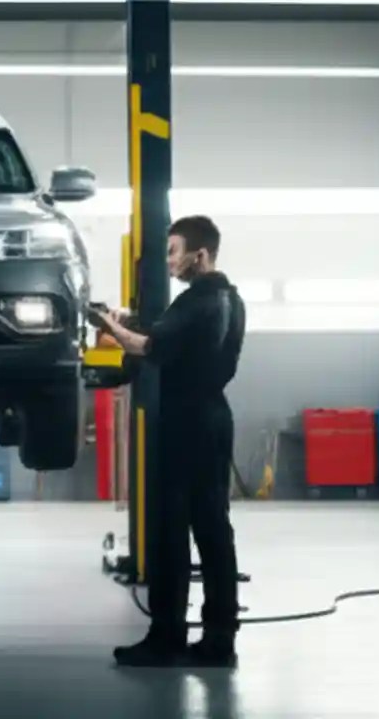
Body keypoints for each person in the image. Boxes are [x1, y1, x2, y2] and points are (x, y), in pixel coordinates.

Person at [91, 215, 246, 668]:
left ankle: (166, 638)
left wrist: (107, 324)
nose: (170, 261)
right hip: (215, 417)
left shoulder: (197, 300)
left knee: (169, 530)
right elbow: (172, 337)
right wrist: (132, 323)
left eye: (174, 251)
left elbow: (149, 347)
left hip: (185, 424)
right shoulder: (230, 300)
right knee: (214, 528)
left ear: (199, 254)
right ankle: (220, 638)